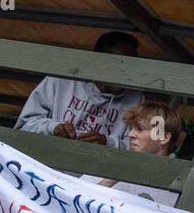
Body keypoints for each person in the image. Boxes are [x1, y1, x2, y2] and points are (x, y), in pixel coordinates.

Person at [15, 30, 145, 148]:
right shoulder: (61, 79)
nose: (126, 71)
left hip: (96, 172)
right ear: (98, 62)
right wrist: (53, 129)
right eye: (121, 64)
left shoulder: (135, 98)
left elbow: (138, 147)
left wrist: (107, 142)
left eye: (131, 66)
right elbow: (24, 127)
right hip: (46, 167)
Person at [90, 101, 184, 208]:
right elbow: (77, 204)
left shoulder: (179, 185)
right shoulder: (106, 163)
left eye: (140, 129)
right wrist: (112, 178)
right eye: (131, 128)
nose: (130, 134)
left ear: (164, 137)